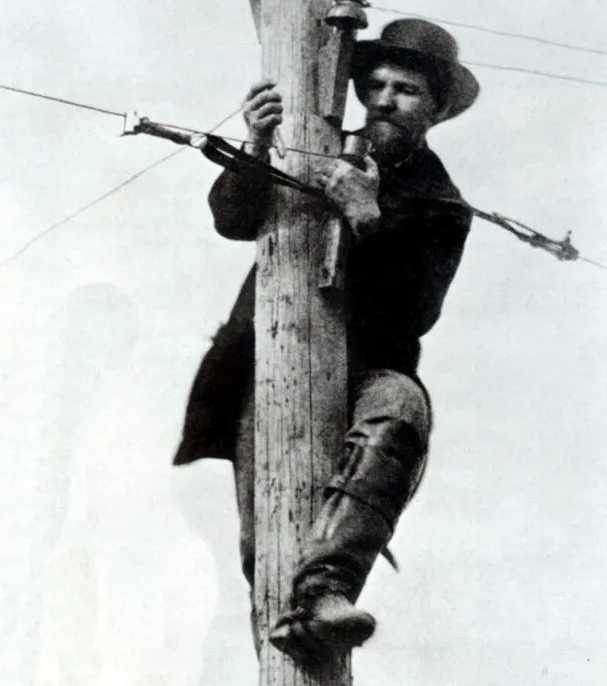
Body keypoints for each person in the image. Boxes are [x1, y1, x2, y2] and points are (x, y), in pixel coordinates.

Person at [172, 18, 480, 663]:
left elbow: (419, 310)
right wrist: (257, 142)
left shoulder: (440, 202)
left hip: (369, 366)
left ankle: (329, 588)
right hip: (271, 366)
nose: (385, 101)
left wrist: (368, 215)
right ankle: (289, 638)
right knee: (267, 546)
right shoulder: (311, 144)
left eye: (407, 90)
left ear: (437, 110)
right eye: (375, 85)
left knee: (401, 411)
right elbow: (233, 218)